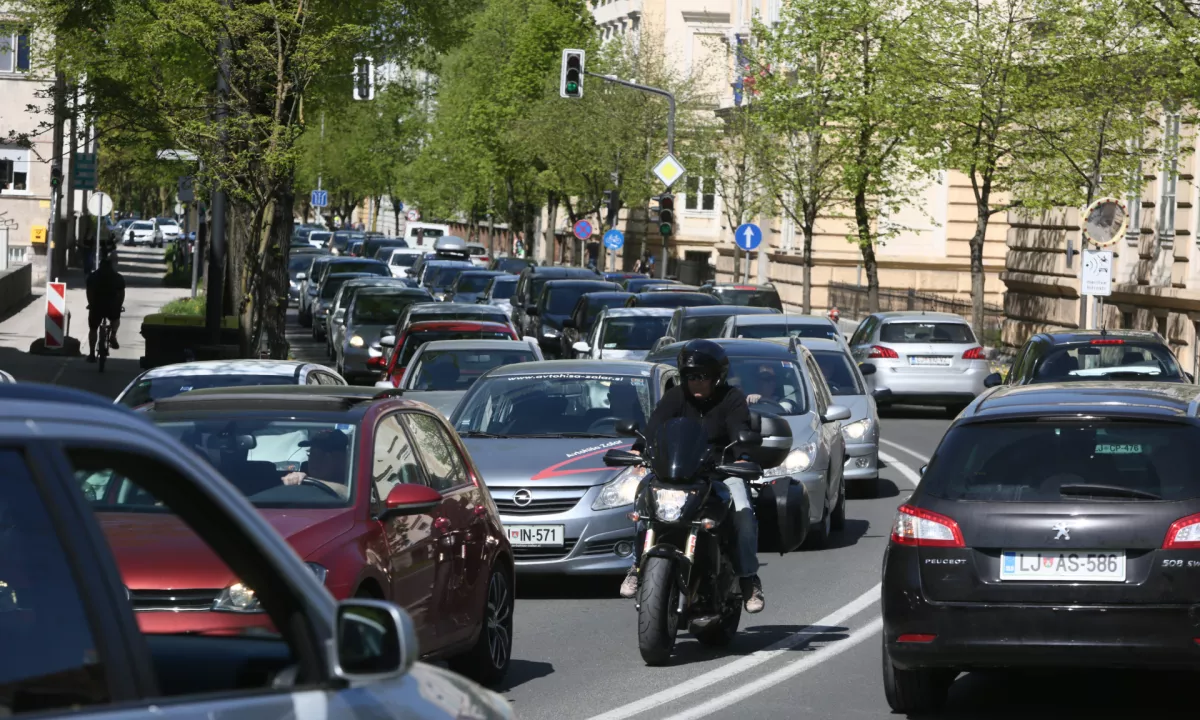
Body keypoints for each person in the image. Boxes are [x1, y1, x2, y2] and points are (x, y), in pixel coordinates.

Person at [619, 339, 765, 613]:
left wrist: (743, 458)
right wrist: (638, 451)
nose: (696, 382)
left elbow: (740, 431)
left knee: (744, 513)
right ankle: (637, 566)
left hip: (720, 474)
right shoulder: (675, 397)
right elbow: (655, 426)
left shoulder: (731, 399)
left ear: (717, 377)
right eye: (690, 377)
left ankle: (748, 578)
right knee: (642, 503)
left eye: (703, 377)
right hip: (676, 475)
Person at [85, 242, 125, 363]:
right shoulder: (118, 277)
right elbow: (121, 294)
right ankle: (113, 335)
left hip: (96, 306)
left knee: (93, 329)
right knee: (116, 319)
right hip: (112, 306)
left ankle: (92, 354)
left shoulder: (93, 277)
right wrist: (119, 305)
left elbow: (89, 292)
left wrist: (90, 303)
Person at [282, 430, 350, 498]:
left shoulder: (352, 478)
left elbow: (348, 492)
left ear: (339, 458)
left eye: (317, 454)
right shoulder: (301, 479)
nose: (312, 461)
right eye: (310, 454)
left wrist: (311, 481)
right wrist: (297, 480)